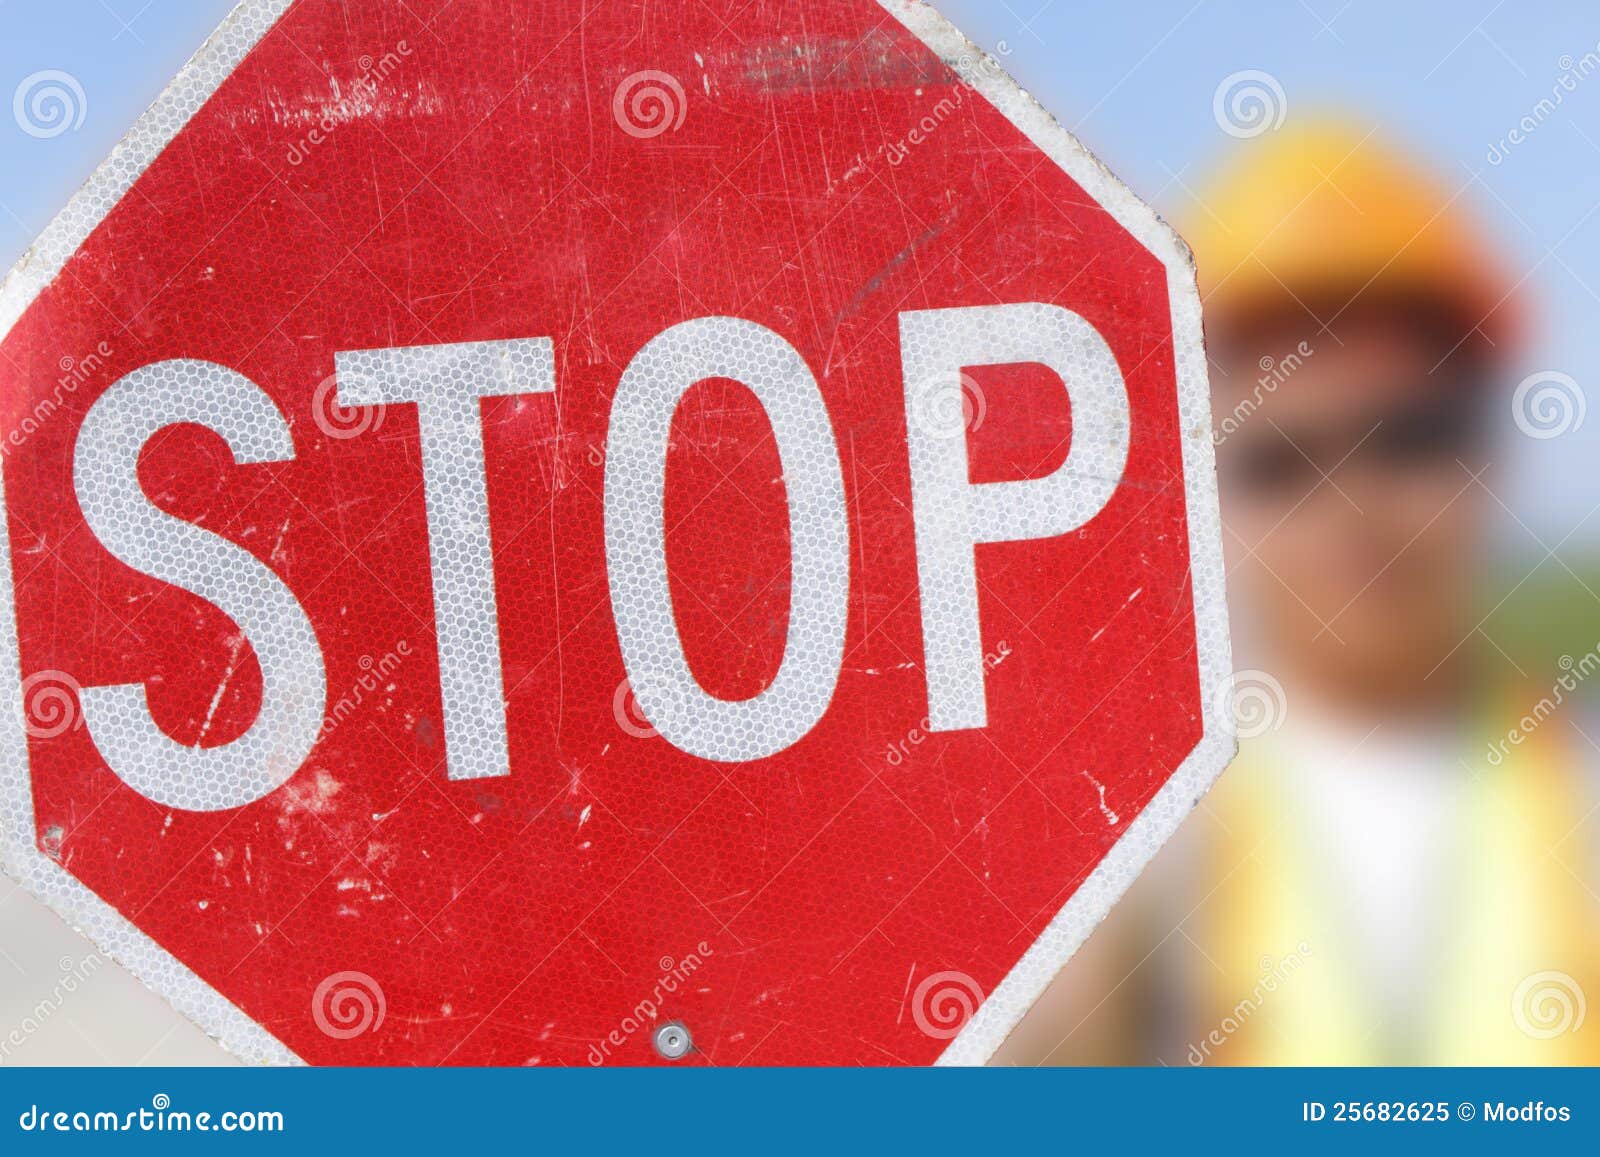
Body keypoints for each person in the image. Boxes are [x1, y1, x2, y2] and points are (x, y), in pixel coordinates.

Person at [998, 118, 1600, 1065]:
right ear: (1202, 500)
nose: (1356, 510)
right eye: (1283, 464)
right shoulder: (1138, 852)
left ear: (1487, 449)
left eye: (1406, 437)